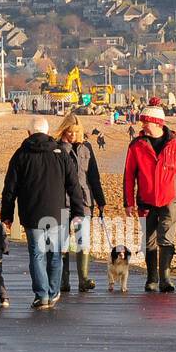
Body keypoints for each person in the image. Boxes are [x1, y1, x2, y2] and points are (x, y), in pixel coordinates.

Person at [1, 118, 83, 309]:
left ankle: (42, 295)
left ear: (28, 133)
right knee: (55, 255)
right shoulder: (60, 153)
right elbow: (74, 185)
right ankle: (53, 293)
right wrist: (78, 212)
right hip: (58, 213)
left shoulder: (21, 154)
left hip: (32, 213)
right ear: (47, 133)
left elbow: (10, 188)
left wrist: (7, 215)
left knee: (37, 255)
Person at [123, 103, 176, 293]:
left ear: (157, 123)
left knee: (166, 240)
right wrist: (128, 202)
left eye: (146, 122)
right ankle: (151, 278)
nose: (143, 126)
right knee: (148, 241)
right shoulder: (136, 145)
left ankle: (165, 278)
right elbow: (129, 176)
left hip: (170, 199)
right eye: (143, 122)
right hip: (145, 200)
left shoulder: (175, 144)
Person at [54, 113, 106, 292]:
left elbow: (94, 176)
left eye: (76, 132)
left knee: (83, 240)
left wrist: (101, 200)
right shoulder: (57, 149)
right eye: (69, 132)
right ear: (64, 131)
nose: (72, 135)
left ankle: (83, 279)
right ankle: (63, 280)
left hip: (84, 201)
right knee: (62, 242)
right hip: (62, 201)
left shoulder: (87, 148)